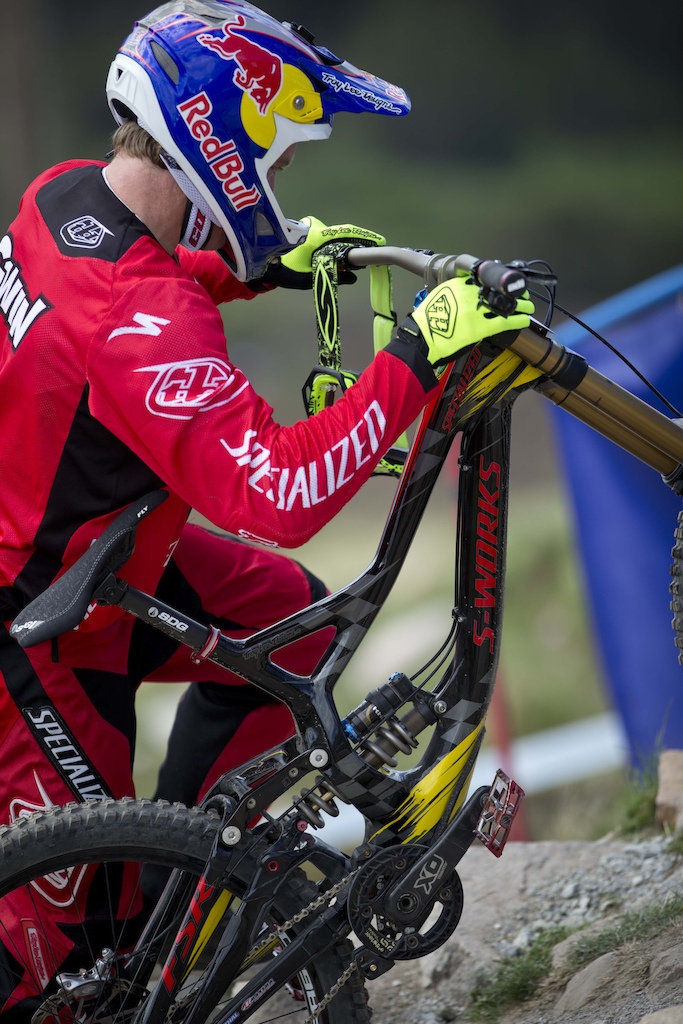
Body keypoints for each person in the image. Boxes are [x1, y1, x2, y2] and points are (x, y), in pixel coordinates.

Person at [0, 0, 532, 1016]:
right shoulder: (143, 323)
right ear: (223, 144)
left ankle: (184, 895)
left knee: (287, 632)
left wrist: (260, 266)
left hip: (85, 544)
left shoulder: (64, 193)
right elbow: (278, 490)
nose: (280, 182)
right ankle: (125, 958)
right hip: (38, 628)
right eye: (276, 163)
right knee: (61, 969)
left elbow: (126, 280)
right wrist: (413, 356)